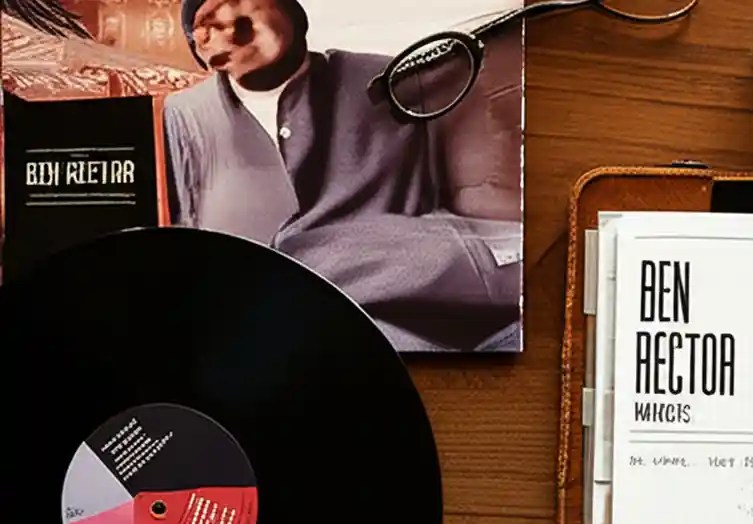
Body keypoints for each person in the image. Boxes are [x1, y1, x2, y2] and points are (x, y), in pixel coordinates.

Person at [163, 0, 523, 352]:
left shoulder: (399, 81)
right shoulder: (180, 121)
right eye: (209, 22)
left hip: (444, 319)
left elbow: (491, 231)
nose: (232, 23)